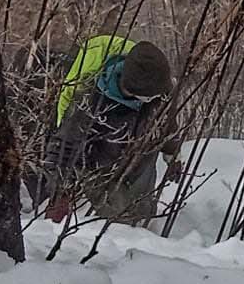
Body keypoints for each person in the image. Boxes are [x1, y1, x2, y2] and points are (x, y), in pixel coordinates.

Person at [36, 36, 180, 225]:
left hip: (136, 156)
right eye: (150, 96)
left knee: (141, 218)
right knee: (118, 221)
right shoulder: (88, 101)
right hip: (97, 161)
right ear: (130, 89)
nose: (156, 98)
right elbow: (64, 147)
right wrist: (60, 192)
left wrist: (172, 156)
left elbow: (165, 123)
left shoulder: (158, 90)